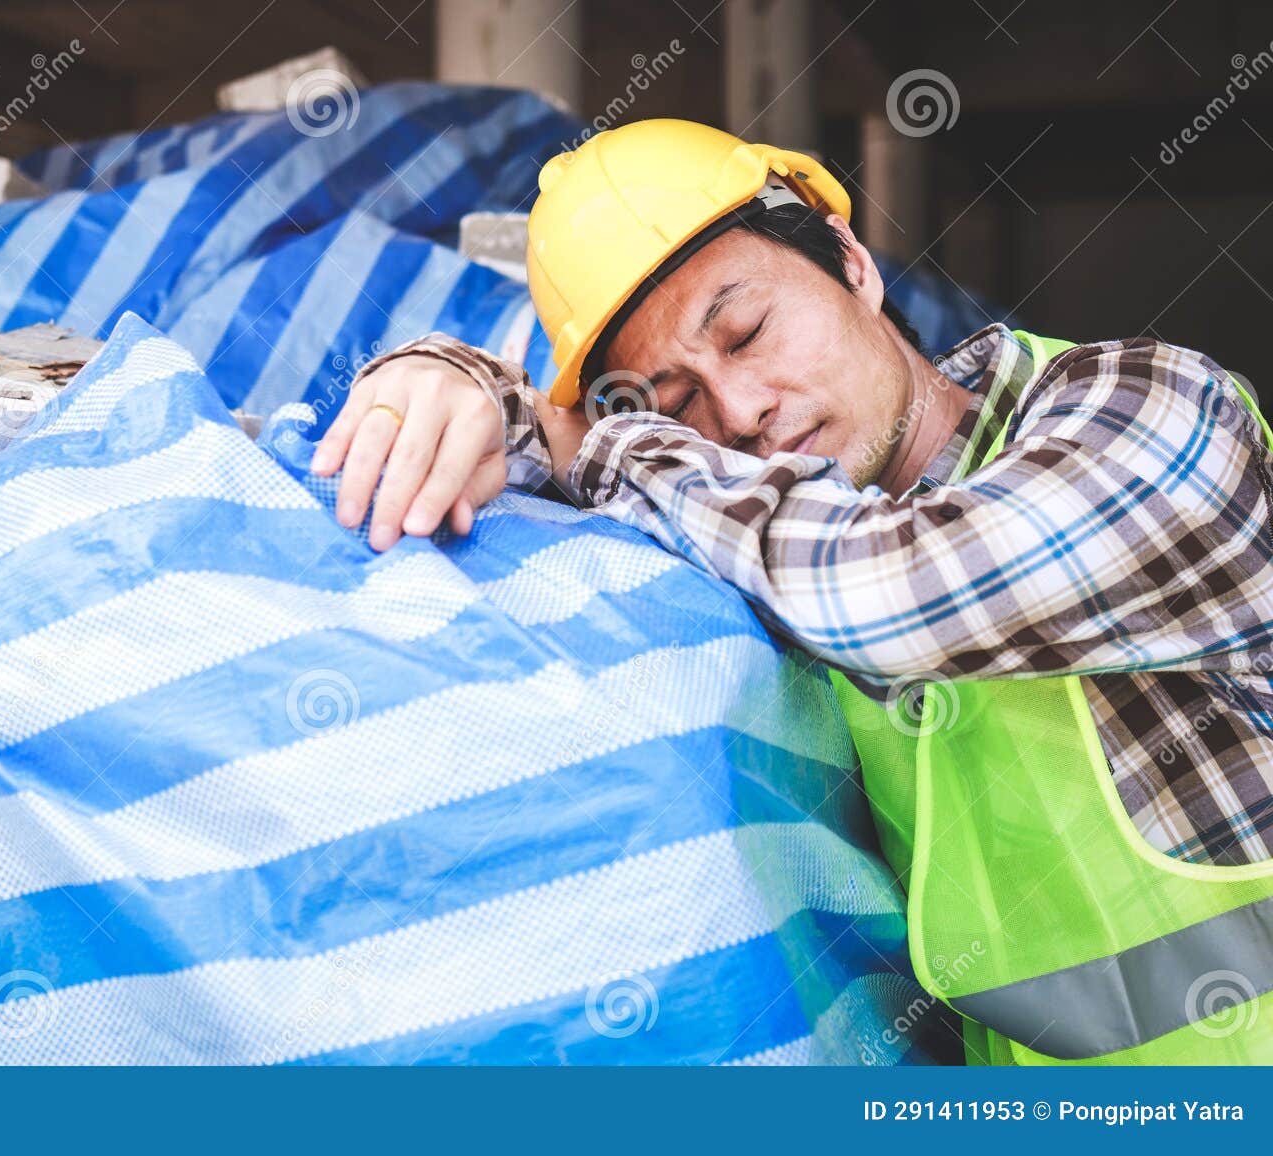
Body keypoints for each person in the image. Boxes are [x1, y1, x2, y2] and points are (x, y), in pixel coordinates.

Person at [313, 119, 1273, 1065]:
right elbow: (549, 448)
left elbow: (894, 590)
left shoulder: (1165, 411)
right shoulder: (758, 536)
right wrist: (455, 379)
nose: (738, 412)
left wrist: (617, 444)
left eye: (747, 331)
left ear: (853, 263)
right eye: (677, 403)